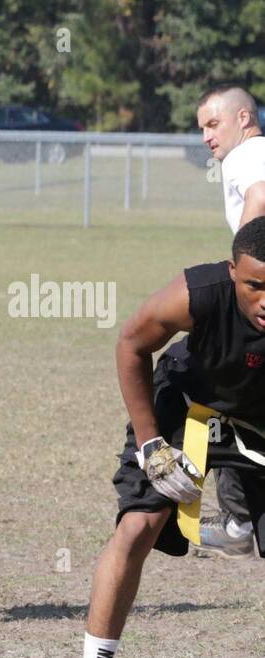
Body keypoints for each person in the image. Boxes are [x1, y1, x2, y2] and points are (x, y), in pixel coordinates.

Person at [56, 217, 265, 658]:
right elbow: (131, 344)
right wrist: (151, 445)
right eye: (255, 285)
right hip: (187, 408)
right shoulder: (197, 293)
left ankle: (233, 524)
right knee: (138, 527)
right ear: (232, 270)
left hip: (257, 424)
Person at [190, 86, 265, 556]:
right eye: (200, 128)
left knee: (229, 393)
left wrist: (241, 267)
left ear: (243, 117)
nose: (205, 137)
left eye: (212, 124)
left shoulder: (248, 154)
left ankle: (238, 521)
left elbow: (260, 195)